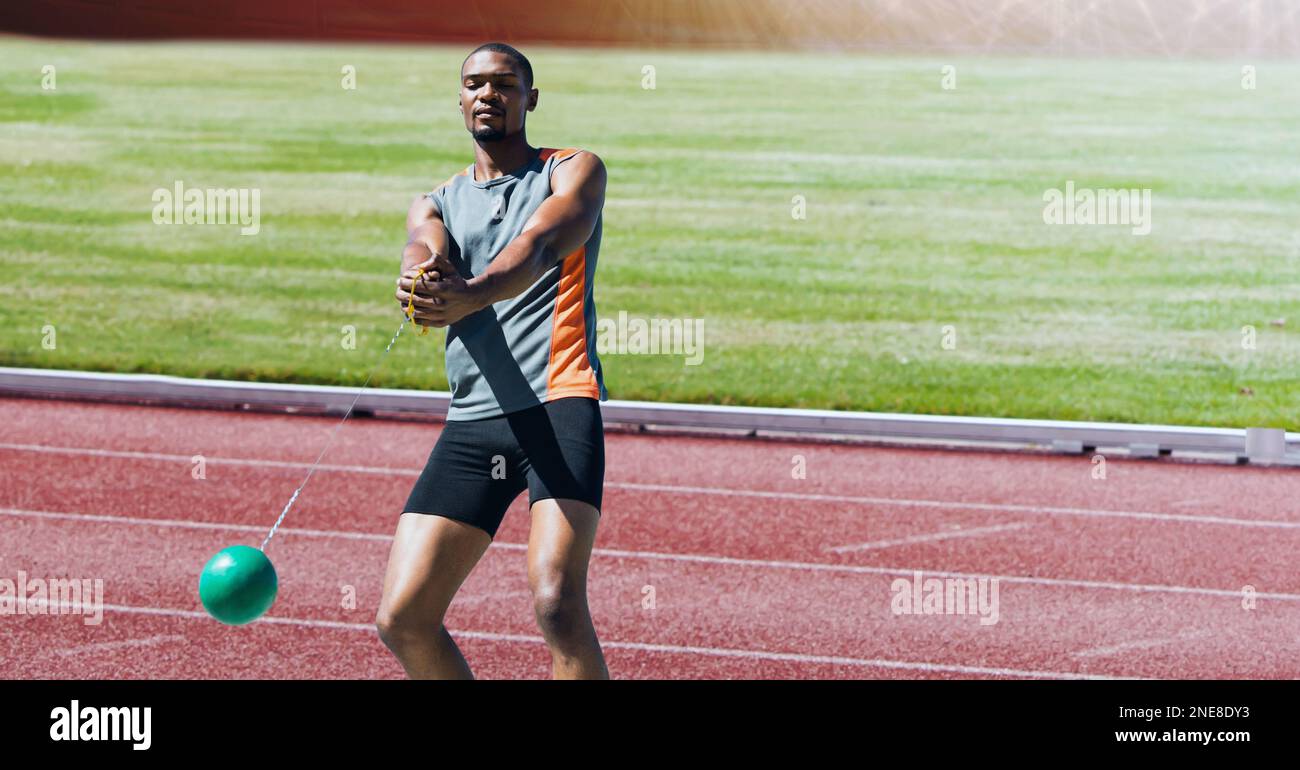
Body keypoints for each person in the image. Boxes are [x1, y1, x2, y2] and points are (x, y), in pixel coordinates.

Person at [376, 42, 610, 680]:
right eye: (476, 84)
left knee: (557, 603)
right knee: (403, 617)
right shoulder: (437, 200)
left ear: (529, 98)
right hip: (475, 418)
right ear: (459, 100)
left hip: (558, 405)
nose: (489, 95)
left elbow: (542, 244)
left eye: (505, 84)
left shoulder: (573, 169)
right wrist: (419, 282)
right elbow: (420, 247)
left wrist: (472, 294)